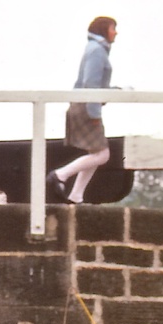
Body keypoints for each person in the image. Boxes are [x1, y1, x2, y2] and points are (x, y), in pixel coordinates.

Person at [47, 17, 117, 206]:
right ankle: (60, 175)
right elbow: (90, 83)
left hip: (84, 104)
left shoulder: (96, 49)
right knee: (102, 155)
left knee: (96, 153)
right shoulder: (97, 51)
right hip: (87, 106)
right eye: (113, 28)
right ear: (104, 30)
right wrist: (94, 113)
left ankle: (76, 196)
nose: (115, 32)